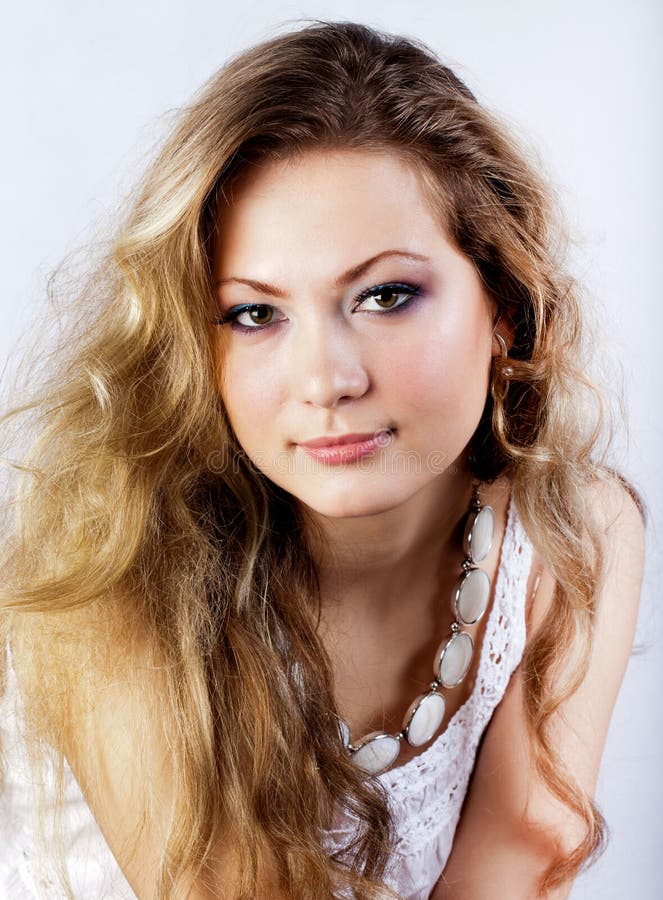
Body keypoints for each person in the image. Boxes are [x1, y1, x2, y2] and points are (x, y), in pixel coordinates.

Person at [0, 18, 647, 900]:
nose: (325, 381)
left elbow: (520, 861)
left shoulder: (574, 537)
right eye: (255, 315)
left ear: (503, 302)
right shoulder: (115, 579)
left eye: (385, 295)